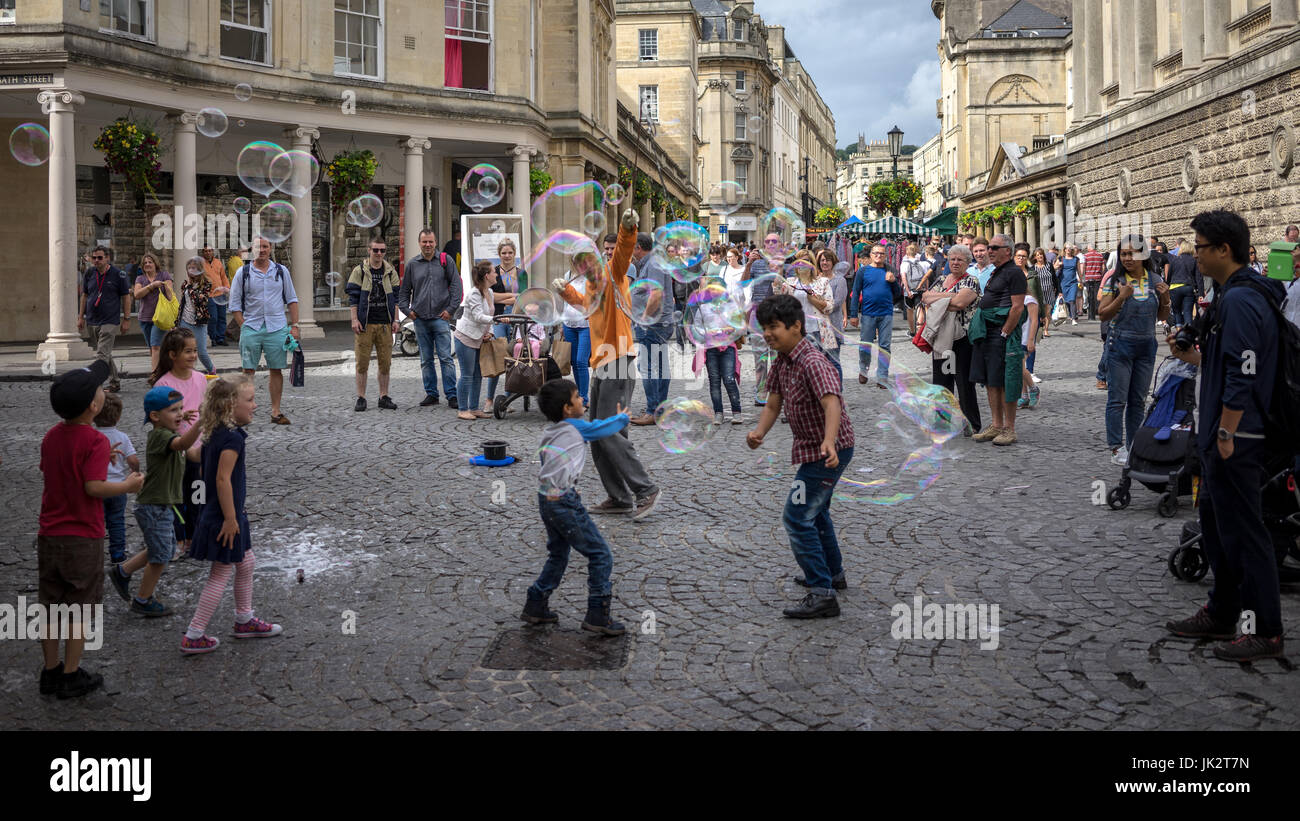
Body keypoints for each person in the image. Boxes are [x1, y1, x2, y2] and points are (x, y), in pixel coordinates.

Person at [1166, 210, 1288, 662]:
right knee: (1217, 528)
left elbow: (1245, 370)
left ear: (1223, 250)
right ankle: (1223, 611)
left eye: (1199, 247)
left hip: (1239, 436)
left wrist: (1226, 431)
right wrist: (1194, 355)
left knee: (1245, 533)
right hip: (1226, 432)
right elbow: (1222, 365)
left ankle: (1266, 629)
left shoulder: (1241, 301)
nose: (1193, 254)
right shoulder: (1228, 295)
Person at [746, 294, 855, 619]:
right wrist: (760, 433)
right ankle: (833, 575)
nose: (767, 333)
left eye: (774, 327)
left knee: (796, 516)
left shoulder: (812, 359)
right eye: (764, 327)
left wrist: (829, 442)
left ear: (796, 326)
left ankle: (822, 592)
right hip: (815, 448)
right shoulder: (782, 359)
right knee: (817, 512)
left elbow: (832, 402)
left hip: (829, 449)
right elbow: (773, 404)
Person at [39, 360, 144, 698]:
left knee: (52, 604)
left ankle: (50, 670)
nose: (104, 390)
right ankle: (71, 675)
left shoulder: (51, 436)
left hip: (49, 533)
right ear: (94, 406)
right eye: (101, 388)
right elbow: (93, 487)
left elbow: (61, 468)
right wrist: (128, 485)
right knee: (79, 607)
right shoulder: (95, 441)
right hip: (82, 535)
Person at [555, 207, 660, 519]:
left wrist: (629, 228)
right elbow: (587, 306)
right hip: (603, 363)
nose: (583, 265)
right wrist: (567, 292)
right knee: (599, 435)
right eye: (578, 262)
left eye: (586, 259)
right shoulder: (590, 284)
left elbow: (624, 252)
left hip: (618, 360)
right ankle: (618, 497)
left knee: (609, 432)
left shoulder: (611, 274)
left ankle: (645, 490)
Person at [180, 375, 283, 653]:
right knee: (221, 572)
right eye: (249, 400)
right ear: (228, 406)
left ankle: (244, 619)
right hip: (226, 517)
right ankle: (194, 633)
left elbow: (197, 459)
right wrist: (230, 518)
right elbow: (222, 480)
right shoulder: (232, 439)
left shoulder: (215, 432)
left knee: (246, 562)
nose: (256, 405)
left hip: (225, 514)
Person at [523, 378, 632, 635]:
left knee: (559, 554)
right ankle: (597, 614)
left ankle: (536, 603)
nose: (582, 399)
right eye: (577, 397)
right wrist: (622, 419)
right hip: (563, 500)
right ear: (567, 409)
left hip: (546, 497)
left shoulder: (549, 432)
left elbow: (549, 462)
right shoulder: (576, 427)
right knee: (600, 554)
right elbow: (600, 429)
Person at [106, 386, 203, 617]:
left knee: (165, 548)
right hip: (153, 506)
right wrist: (200, 423)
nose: (180, 414)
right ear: (155, 417)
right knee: (160, 556)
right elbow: (182, 445)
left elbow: (195, 455)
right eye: (173, 410)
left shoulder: (173, 435)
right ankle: (143, 599)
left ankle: (122, 571)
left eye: (181, 408)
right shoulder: (161, 436)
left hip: (161, 505)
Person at [1097, 235, 1170, 465]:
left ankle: (1134, 445)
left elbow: (1161, 317)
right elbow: (1103, 314)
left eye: (1132, 253)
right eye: (1124, 254)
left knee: (1138, 400)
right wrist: (1121, 297)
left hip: (1147, 345)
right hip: (1120, 344)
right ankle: (1116, 447)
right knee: (1117, 399)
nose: (1128, 258)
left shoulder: (1155, 279)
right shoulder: (1115, 280)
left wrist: (1166, 297)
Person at [150, 327, 210, 556]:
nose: (193, 356)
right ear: (172, 355)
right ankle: (177, 538)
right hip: (175, 452)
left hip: (199, 449)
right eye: (187, 351)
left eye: (195, 351)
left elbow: (206, 412)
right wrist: (178, 416)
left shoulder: (201, 379)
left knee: (198, 495)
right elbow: (157, 422)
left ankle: (195, 537)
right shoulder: (163, 385)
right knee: (175, 498)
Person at [229, 237, 300, 425]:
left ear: (270, 249)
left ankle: (275, 412)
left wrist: (295, 326)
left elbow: (292, 299)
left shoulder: (281, 271)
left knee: (276, 369)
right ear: (252, 250)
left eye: (265, 246)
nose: (262, 250)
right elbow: (234, 304)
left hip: (276, 328)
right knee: (248, 371)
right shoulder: (242, 273)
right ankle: (243, 412)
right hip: (251, 327)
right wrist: (243, 324)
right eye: (258, 247)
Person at [968, 234, 1027, 446]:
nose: (989, 250)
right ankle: (996, 425)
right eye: (989, 247)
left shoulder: (1014, 272)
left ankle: (1009, 428)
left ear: (1008, 251)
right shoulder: (998, 271)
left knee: (1005, 382)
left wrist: (1004, 332)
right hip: (989, 332)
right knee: (992, 382)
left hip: (1000, 333)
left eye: (994, 247)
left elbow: (1018, 306)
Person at [920, 244, 982, 434]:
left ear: (967, 263)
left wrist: (940, 300)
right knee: (941, 381)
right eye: (952, 259)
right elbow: (924, 297)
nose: (955, 262)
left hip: (961, 339)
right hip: (942, 338)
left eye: (960, 260)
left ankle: (971, 423)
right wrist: (949, 298)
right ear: (947, 260)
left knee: (963, 382)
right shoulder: (940, 279)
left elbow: (961, 302)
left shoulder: (971, 281)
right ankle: (941, 422)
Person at [401, 229, 461, 409]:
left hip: (440, 318)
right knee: (425, 360)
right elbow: (404, 292)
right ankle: (431, 394)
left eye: (430, 242)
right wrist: (407, 311)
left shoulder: (445, 261)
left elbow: (457, 287)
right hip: (420, 319)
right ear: (419, 243)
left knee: (446, 358)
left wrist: (450, 310)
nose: (427, 245)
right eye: (424, 242)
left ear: (435, 243)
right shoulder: (412, 264)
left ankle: (452, 395)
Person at [346, 238, 401, 412]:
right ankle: (361, 397)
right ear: (368, 250)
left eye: (382, 250)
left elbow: (396, 299)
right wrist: (354, 319)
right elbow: (353, 298)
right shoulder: (360, 270)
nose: (379, 253)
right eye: (375, 250)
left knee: (385, 363)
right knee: (362, 363)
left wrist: (396, 319)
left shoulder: (390, 271)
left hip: (385, 323)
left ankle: (383, 396)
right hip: (365, 324)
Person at [631, 233, 675, 426]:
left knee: (648, 367)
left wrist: (643, 318)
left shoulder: (654, 263)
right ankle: (660, 408)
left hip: (653, 324)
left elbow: (656, 294)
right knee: (659, 365)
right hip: (657, 323)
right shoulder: (651, 263)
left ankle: (653, 411)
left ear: (638, 247)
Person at [78, 247, 132, 393]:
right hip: (92, 320)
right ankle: (115, 382)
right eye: (94, 258)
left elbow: (126, 297)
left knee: (101, 354)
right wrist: (80, 317)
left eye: (100, 258)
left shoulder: (118, 274)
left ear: (107, 258)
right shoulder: (89, 273)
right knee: (105, 353)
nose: (96, 260)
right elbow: (85, 295)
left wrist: (126, 319)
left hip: (110, 320)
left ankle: (95, 384)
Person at [484, 237, 527, 413]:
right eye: (504, 253)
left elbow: (524, 297)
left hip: (517, 318)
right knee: (497, 355)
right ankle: (489, 399)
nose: (507, 255)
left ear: (515, 254)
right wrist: (512, 297)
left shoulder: (522, 273)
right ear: (499, 255)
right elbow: (490, 296)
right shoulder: (493, 272)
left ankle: (506, 398)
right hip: (499, 317)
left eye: (510, 252)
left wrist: (512, 299)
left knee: (513, 356)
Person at [94, 393, 138, 565]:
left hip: (98, 486)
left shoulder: (92, 435)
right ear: (119, 416)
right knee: (117, 521)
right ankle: (118, 554)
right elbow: (133, 460)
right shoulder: (122, 437)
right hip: (119, 487)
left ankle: (95, 554)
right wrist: (134, 473)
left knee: (97, 522)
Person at [847, 243, 899, 387]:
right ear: (870, 255)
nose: (878, 256)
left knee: (885, 346)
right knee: (865, 344)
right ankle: (863, 369)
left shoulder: (890, 270)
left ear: (885, 256)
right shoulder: (863, 272)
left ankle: (882, 377)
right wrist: (853, 314)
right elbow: (856, 292)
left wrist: (894, 282)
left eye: (881, 254)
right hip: (868, 313)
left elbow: (898, 294)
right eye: (875, 253)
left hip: (886, 313)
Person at [452, 260, 498, 421]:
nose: (496, 274)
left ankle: (474, 408)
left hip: (479, 338)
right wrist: (497, 320)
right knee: (467, 375)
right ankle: (462, 409)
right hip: (466, 337)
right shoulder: (473, 294)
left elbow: (489, 315)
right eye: (494, 272)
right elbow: (479, 316)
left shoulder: (490, 292)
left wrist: (490, 332)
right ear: (487, 276)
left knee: (478, 374)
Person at [132, 252, 175, 374]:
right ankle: (164, 370)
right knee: (153, 348)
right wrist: (152, 286)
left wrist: (173, 318)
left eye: (150, 262)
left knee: (156, 347)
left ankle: (155, 375)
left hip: (160, 318)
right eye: (145, 263)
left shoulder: (164, 275)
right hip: (145, 318)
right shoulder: (140, 278)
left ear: (155, 264)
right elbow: (137, 294)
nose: (147, 264)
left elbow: (170, 294)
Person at [176, 256, 217, 375]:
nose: (191, 270)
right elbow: (183, 303)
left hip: (199, 322)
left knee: (201, 352)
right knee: (185, 349)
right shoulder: (185, 284)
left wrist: (190, 287)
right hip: (184, 320)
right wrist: (177, 322)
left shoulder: (206, 284)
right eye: (189, 268)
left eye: (193, 268)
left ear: (199, 269)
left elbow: (200, 300)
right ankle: (190, 373)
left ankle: (212, 370)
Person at [1015, 245, 1043, 410]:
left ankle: (1033, 389)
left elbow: (1034, 320)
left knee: (1020, 366)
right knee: (1019, 367)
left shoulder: (1030, 300)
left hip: (1026, 337)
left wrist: (1031, 340)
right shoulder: (1016, 298)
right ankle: (1024, 395)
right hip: (1016, 335)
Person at [560, 270, 592, 405]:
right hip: (569, 324)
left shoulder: (592, 276)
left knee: (581, 362)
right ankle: (579, 394)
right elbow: (565, 300)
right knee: (573, 361)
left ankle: (584, 398)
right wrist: (562, 322)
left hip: (586, 324)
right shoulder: (568, 275)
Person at [201, 245, 231, 347]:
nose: (208, 253)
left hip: (221, 294)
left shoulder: (218, 262)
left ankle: (220, 338)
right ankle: (212, 337)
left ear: (213, 252)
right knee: (213, 317)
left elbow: (223, 276)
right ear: (203, 253)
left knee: (222, 317)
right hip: (209, 295)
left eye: (210, 251)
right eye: (206, 251)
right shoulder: (200, 264)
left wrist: (227, 287)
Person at [1167, 240, 1201, 328]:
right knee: (1188, 311)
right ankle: (1188, 333)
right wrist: (1200, 293)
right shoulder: (1194, 260)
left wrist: (1167, 288)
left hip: (1174, 287)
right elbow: (1198, 278)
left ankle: (1179, 333)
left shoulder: (1174, 260)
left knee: (1177, 311)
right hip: (1188, 287)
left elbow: (1169, 276)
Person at [900, 243, 932, 336]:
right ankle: (920, 331)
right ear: (916, 252)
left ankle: (912, 331)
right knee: (920, 309)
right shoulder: (923, 264)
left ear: (907, 253)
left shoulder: (904, 264)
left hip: (909, 290)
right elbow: (926, 278)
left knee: (910, 310)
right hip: (920, 289)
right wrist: (926, 289)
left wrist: (908, 290)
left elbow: (904, 278)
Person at [1031, 247, 1057, 337]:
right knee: (1038, 312)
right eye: (1037, 255)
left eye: (1041, 254)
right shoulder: (1033, 268)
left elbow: (1054, 278)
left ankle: (1046, 330)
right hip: (1038, 294)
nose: (1040, 256)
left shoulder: (1049, 265)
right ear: (1035, 257)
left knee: (1047, 312)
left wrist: (1058, 290)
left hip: (1049, 292)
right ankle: (1039, 329)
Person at [1053, 244, 1081, 324]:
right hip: (1063, 282)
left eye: (1070, 248)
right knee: (1065, 300)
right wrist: (1058, 266)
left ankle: (1073, 318)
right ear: (1064, 249)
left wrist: (1081, 280)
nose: (1068, 250)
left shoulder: (1076, 259)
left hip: (1073, 282)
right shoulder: (1061, 258)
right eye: (1067, 248)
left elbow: (1078, 270)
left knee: (1072, 300)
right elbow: (1054, 267)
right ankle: (1067, 315)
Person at [1082, 242, 1105, 320]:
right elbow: (1103, 267)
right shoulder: (1100, 255)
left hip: (1089, 278)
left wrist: (1084, 276)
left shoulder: (1086, 256)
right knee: (1097, 295)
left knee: (1089, 296)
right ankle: (1097, 310)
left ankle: (1091, 315)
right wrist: (1101, 275)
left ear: (1089, 248)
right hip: (1098, 277)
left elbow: (1084, 267)